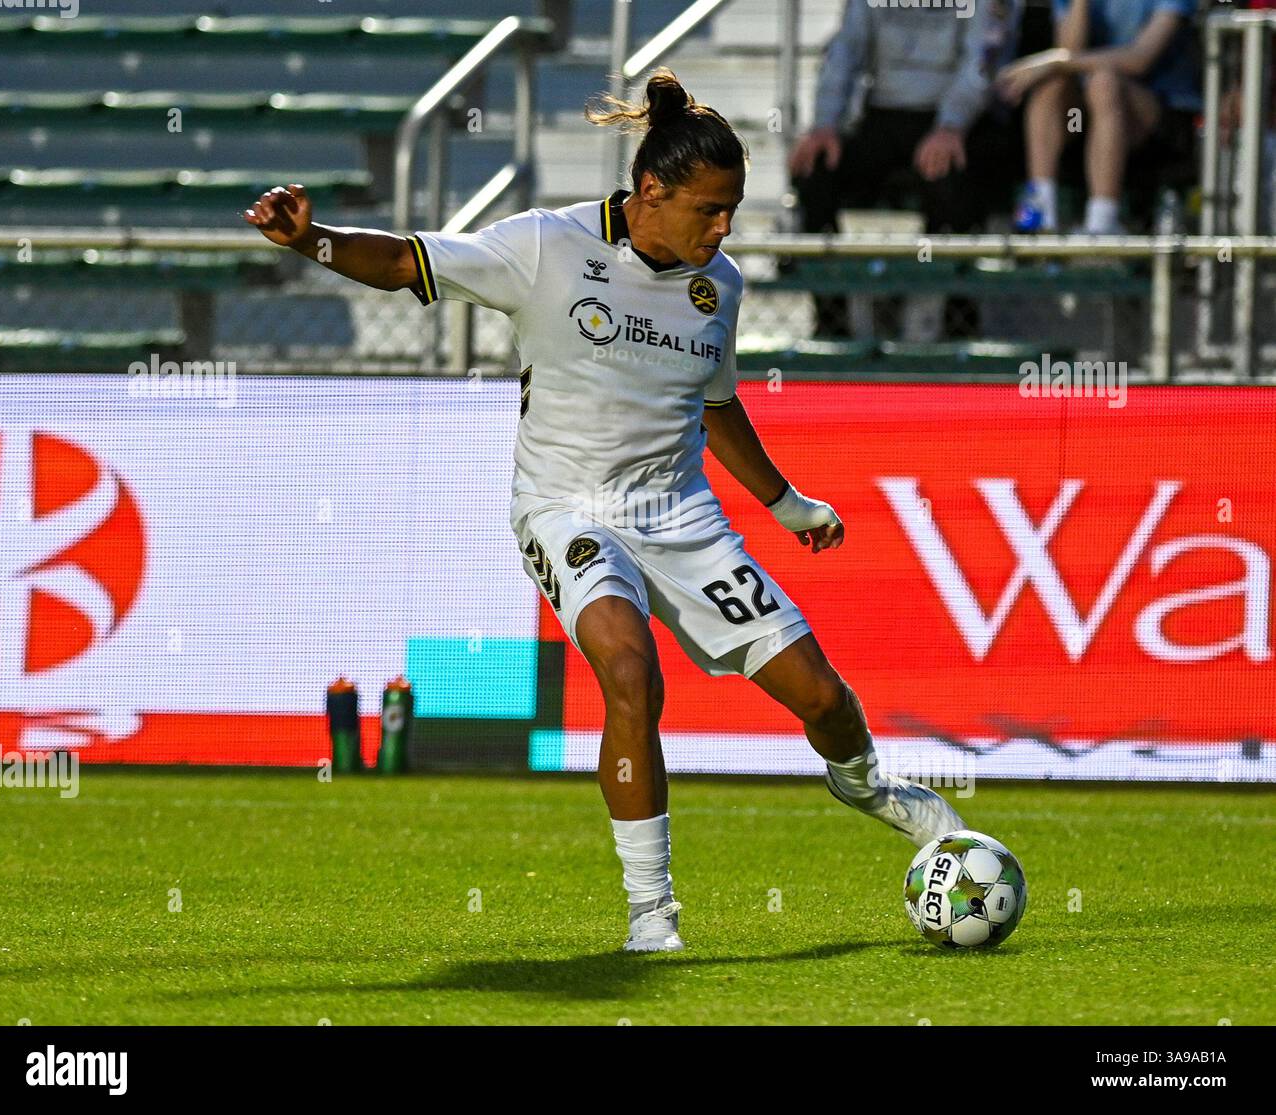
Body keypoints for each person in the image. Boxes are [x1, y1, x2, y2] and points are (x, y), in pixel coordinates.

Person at [244, 69, 967, 954]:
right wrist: (311, 239)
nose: (724, 229)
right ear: (649, 190)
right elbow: (403, 262)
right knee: (630, 671)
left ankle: (863, 785)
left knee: (820, 696)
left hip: (682, 516)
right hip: (566, 508)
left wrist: (786, 504)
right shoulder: (545, 247)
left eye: (733, 210)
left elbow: (716, 404)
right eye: (710, 209)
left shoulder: (718, 287)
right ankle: (651, 913)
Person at [787, 0, 1020, 338]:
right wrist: (825, 125)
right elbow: (845, 52)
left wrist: (950, 126)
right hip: (882, 117)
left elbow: (980, 65)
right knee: (814, 169)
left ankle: (960, 321)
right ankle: (830, 321)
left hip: (956, 121)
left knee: (954, 174)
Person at [998, 0, 1200, 234]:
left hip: (1157, 118)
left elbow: (1139, 60)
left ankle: (1102, 222)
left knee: (1103, 83)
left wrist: (1053, 62)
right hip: (1081, 121)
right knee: (1052, 84)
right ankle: (1042, 213)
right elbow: (1071, 50)